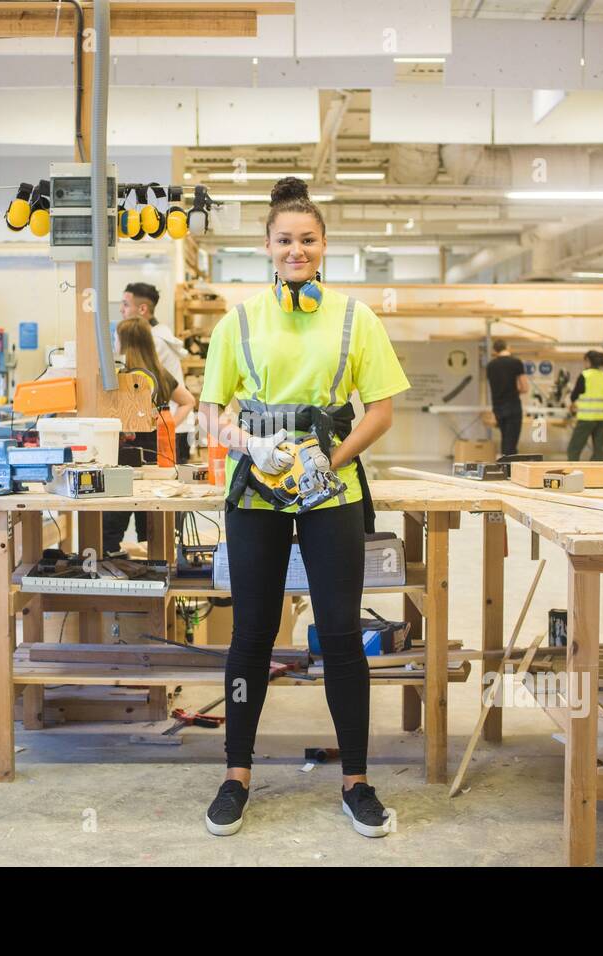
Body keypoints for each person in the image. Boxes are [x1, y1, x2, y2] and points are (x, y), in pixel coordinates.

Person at [197, 178, 410, 839]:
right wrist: (248, 445)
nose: (296, 249)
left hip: (329, 488)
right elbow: (211, 415)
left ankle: (357, 781)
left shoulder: (355, 318)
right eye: (284, 240)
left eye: (308, 240)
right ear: (267, 246)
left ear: (323, 247)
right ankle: (236, 775)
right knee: (252, 636)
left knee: (341, 636)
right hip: (257, 489)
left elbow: (381, 409)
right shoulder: (238, 321)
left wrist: (334, 459)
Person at [101, 317, 195, 558]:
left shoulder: (118, 376)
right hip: (157, 458)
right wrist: (166, 425)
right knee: (154, 526)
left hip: (122, 460)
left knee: (112, 525)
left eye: (115, 338)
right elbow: (188, 402)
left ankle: (111, 563)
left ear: (123, 342)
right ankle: (156, 569)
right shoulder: (159, 374)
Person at [121, 282, 194, 464]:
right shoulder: (158, 334)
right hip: (167, 426)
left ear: (143, 308)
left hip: (169, 428)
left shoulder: (155, 341)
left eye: (125, 304)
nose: (122, 310)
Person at [485, 338, 528, 458]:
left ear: (495, 350)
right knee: (511, 443)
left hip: (498, 408)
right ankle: (509, 471)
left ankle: (505, 467)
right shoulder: (516, 363)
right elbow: (525, 387)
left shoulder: (490, 366)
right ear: (508, 347)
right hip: (513, 406)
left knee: (505, 439)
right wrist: (515, 391)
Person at [567, 350, 603, 460]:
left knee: (573, 450)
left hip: (586, 419)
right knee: (598, 452)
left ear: (588, 361)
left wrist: (572, 405)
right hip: (602, 418)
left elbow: (574, 396)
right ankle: (597, 475)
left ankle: (573, 474)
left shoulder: (585, 375)